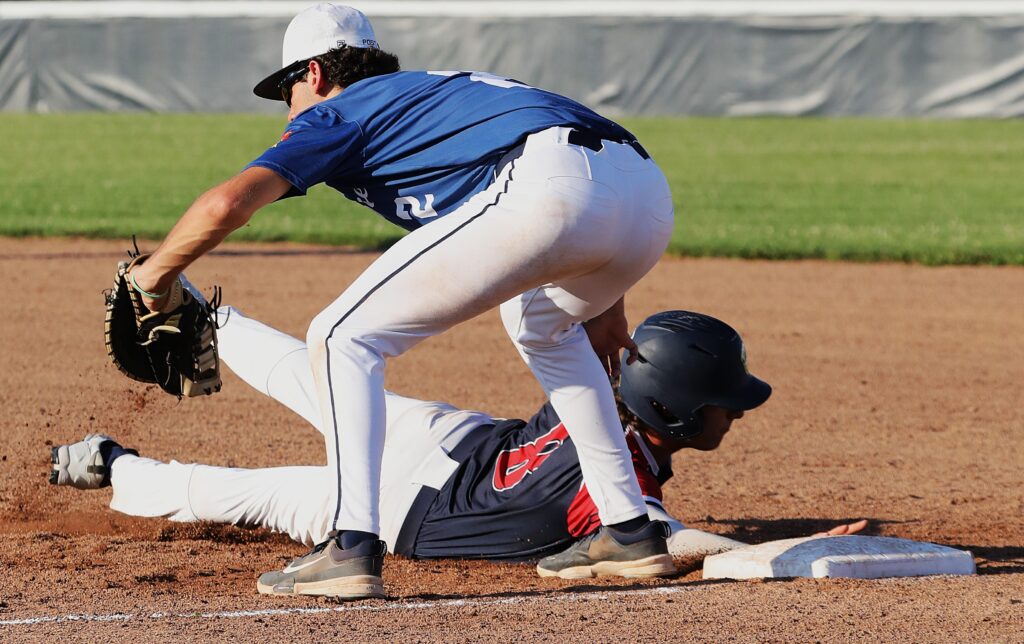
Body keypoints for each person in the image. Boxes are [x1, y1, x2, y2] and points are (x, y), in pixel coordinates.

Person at [124, 3, 676, 598]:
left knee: (340, 336)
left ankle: (351, 546)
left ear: (312, 74)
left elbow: (226, 206)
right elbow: (588, 171)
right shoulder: (424, 97)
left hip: (547, 186)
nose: (287, 110)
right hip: (644, 196)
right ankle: (627, 530)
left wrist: (154, 276)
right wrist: (604, 294)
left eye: (285, 90)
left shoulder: (341, 110)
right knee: (544, 328)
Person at [53, 307, 835, 595]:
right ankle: (109, 463)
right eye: (724, 400)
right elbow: (668, 540)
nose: (735, 412)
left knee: (313, 373)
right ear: (678, 408)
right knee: (242, 494)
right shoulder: (621, 477)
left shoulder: (597, 390)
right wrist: (774, 550)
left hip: (442, 434)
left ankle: (190, 309)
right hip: (406, 508)